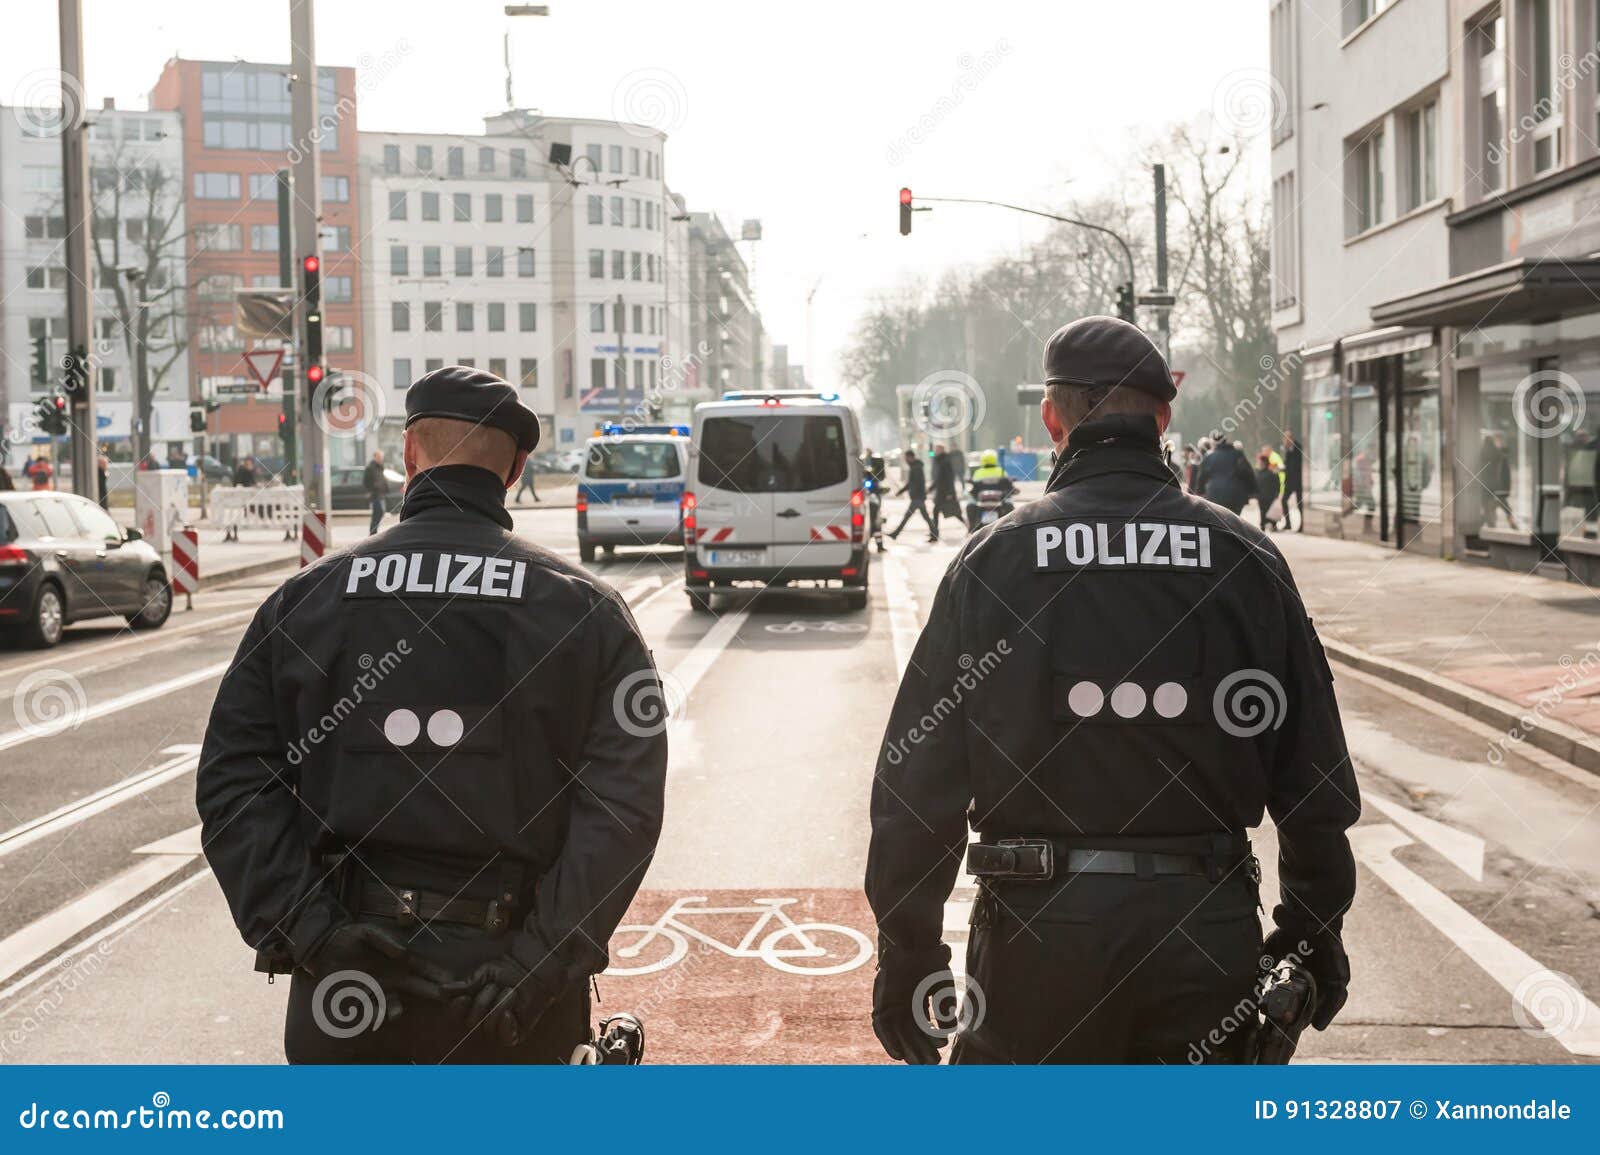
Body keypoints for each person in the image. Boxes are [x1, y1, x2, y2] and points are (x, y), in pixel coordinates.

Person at [866, 316, 1358, 1065]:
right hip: (1203, 930)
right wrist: (1310, 935)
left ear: (1052, 418)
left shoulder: (995, 563)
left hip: (1035, 941)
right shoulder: (1244, 559)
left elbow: (917, 783)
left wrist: (909, 951)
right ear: (1163, 417)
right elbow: (1315, 776)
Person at [196, 365, 668, 1064]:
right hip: (508, 992)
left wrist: (315, 932)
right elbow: (623, 807)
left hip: (348, 984)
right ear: (516, 470)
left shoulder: (306, 601)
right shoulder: (583, 611)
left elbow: (233, 782)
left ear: (410, 456)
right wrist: (538, 961)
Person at [1196, 437, 1254, 515]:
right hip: (1235, 495)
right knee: (1235, 519)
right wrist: (1252, 491)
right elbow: (1248, 472)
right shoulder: (1238, 454)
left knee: (1220, 519)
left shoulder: (1209, 456)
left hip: (1215, 494)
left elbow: (1202, 476)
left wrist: (1200, 492)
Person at [888, 449, 937, 542]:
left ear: (911, 457)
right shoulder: (916, 466)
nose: (905, 460)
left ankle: (895, 533)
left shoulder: (916, 468)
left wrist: (900, 492)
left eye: (906, 458)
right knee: (925, 517)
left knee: (907, 517)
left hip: (917, 497)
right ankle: (935, 534)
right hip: (918, 497)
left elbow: (913, 483)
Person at [966, 448, 1017, 530]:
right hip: (999, 502)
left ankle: (971, 527)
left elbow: (973, 487)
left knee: (970, 504)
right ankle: (1011, 526)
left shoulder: (978, 472)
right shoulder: (1001, 471)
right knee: (1010, 503)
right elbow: (1008, 485)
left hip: (983, 502)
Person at [929, 445, 960, 538]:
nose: (935, 451)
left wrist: (950, 493)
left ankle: (970, 526)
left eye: (937, 449)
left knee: (954, 512)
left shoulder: (946, 461)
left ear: (942, 450)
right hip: (941, 492)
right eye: (935, 449)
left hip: (946, 493)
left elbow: (950, 478)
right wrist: (931, 488)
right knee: (936, 512)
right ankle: (934, 534)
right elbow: (939, 478)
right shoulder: (938, 460)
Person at [363, 448, 390, 535]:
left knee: (381, 512)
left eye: (382, 457)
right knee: (378, 513)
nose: (381, 458)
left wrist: (386, 488)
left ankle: (374, 531)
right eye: (379, 457)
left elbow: (382, 479)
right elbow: (365, 481)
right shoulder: (370, 467)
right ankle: (373, 532)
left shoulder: (380, 467)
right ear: (375, 457)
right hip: (375, 494)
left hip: (381, 493)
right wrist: (372, 488)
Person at [1280, 432, 1304, 532]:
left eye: (1285, 440)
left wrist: (1284, 469)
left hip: (1298, 481)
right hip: (1290, 481)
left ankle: (1302, 525)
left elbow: (1294, 467)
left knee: (1300, 504)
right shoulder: (1289, 450)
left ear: (1290, 439)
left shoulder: (1298, 448)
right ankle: (1288, 524)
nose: (1284, 443)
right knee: (1283, 500)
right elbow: (1288, 465)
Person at [1254, 450, 1280, 532]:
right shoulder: (1258, 472)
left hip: (1269, 496)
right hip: (1261, 496)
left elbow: (1277, 484)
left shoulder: (1271, 473)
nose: (1259, 463)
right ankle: (1263, 525)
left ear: (1265, 463)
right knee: (1262, 511)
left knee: (1269, 511)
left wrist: (1277, 493)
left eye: (1260, 462)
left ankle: (1272, 525)